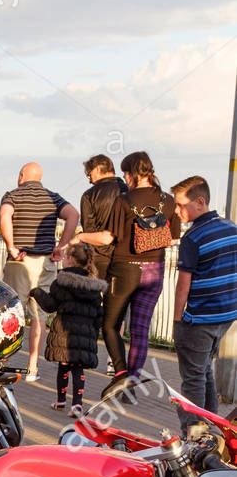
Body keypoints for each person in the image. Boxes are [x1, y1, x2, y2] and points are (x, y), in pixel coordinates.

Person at [72, 151, 180, 393]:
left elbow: (107, 237)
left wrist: (79, 236)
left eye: (125, 173)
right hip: (155, 271)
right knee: (140, 330)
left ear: (132, 173)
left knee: (110, 325)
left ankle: (120, 373)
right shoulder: (168, 201)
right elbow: (172, 238)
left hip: (125, 270)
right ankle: (131, 383)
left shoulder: (124, 200)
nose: (125, 177)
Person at [0, 161, 78, 383]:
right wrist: (62, 246)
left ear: (21, 176)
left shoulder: (12, 195)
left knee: (12, 313)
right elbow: (73, 215)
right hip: (45, 262)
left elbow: (5, 216)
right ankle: (32, 365)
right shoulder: (53, 197)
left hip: (19, 261)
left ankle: (3, 361)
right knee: (39, 316)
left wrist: (11, 246)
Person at [170, 174, 237, 427]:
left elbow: (182, 286)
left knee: (193, 378)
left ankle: (193, 432)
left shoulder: (193, 237)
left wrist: (178, 322)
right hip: (226, 316)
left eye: (180, 205)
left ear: (199, 202)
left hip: (199, 320)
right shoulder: (231, 228)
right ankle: (212, 424)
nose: (176, 211)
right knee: (204, 369)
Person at [30, 242, 106, 416]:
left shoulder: (61, 282)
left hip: (65, 331)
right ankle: (77, 405)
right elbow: (99, 313)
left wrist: (37, 293)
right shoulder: (94, 286)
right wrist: (94, 333)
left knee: (63, 367)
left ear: (71, 259)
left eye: (65, 257)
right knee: (78, 369)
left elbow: (50, 305)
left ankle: (61, 400)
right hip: (85, 332)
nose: (63, 260)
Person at [78, 155, 126, 282]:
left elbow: (89, 230)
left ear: (98, 169)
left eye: (89, 174)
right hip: (127, 255)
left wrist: (106, 251)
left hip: (101, 258)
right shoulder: (129, 190)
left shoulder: (89, 195)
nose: (90, 180)